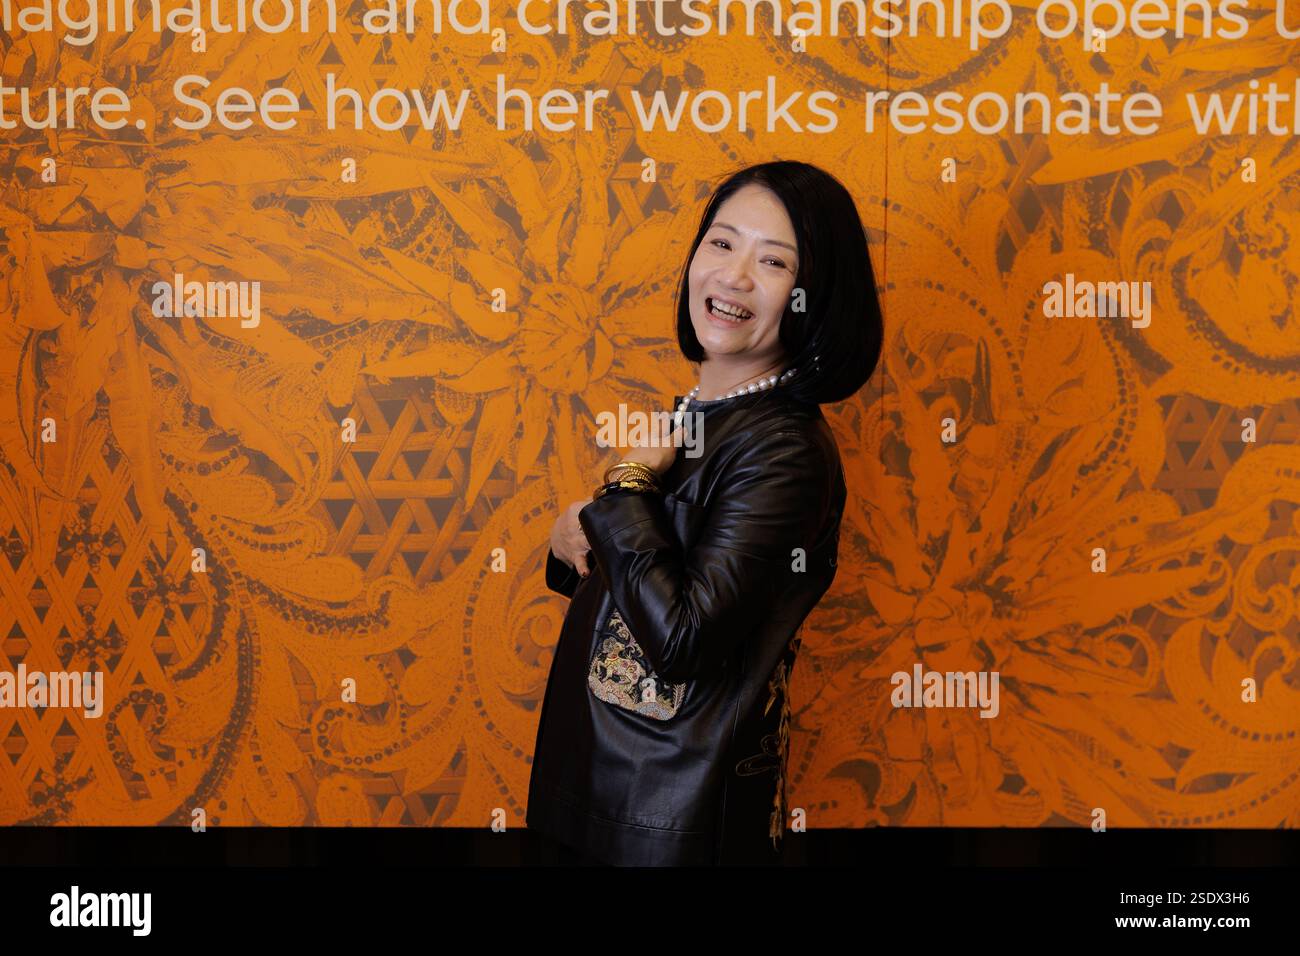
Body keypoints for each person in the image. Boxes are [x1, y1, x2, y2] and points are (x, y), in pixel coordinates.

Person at [526, 160, 884, 866]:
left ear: (813, 296)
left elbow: (686, 639)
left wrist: (624, 489)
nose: (734, 276)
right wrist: (577, 533)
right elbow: (647, 585)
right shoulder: (710, 415)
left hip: (672, 825)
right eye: (721, 244)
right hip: (609, 798)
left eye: (774, 261)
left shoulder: (783, 449)